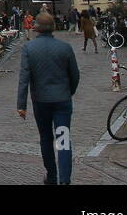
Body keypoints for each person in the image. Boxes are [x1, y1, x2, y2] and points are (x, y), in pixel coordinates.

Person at [17, 11, 80, 185]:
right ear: (53, 27)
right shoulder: (64, 47)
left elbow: (24, 78)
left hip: (41, 101)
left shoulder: (29, 48)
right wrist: (69, 92)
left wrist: (21, 105)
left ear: (36, 28)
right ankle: (65, 180)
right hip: (62, 101)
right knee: (63, 139)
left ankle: (51, 176)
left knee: (45, 138)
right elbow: (75, 75)